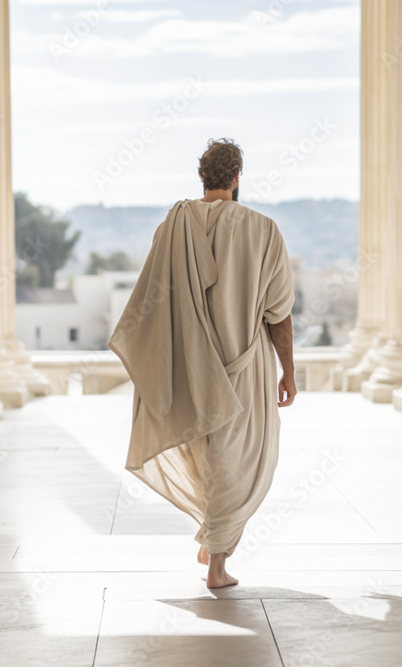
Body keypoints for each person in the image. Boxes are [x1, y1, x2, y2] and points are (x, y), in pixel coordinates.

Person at [107, 138, 296, 588]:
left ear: (202, 177)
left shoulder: (171, 227)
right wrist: (289, 371)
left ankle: (211, 539)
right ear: (236, 178)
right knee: (238, 460)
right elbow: (279, 314)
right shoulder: (263, 230)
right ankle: (217, 564)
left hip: (189, 368)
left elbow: (152, 307)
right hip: (244, 367)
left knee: (208, 456)